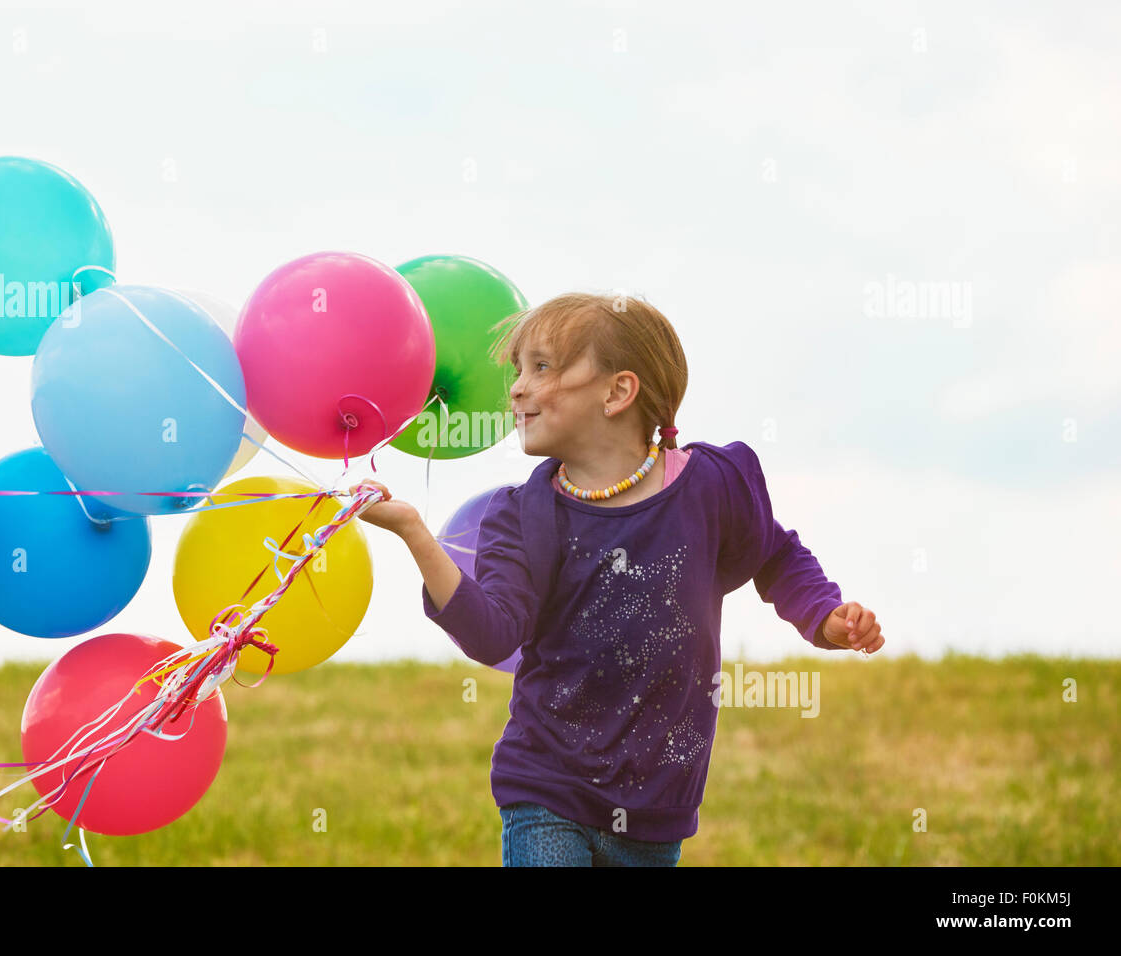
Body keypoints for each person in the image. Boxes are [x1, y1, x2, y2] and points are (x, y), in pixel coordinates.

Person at [351, 292, 884, 866]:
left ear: (618, 392)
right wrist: (414, 533)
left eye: (543, 367)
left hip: (657, 805)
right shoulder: (522, 515)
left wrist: (823, 616)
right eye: (518, 370)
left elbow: (773, 553)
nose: (517, 388)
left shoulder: (710, 487)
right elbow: (493, 634)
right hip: (546, 786)